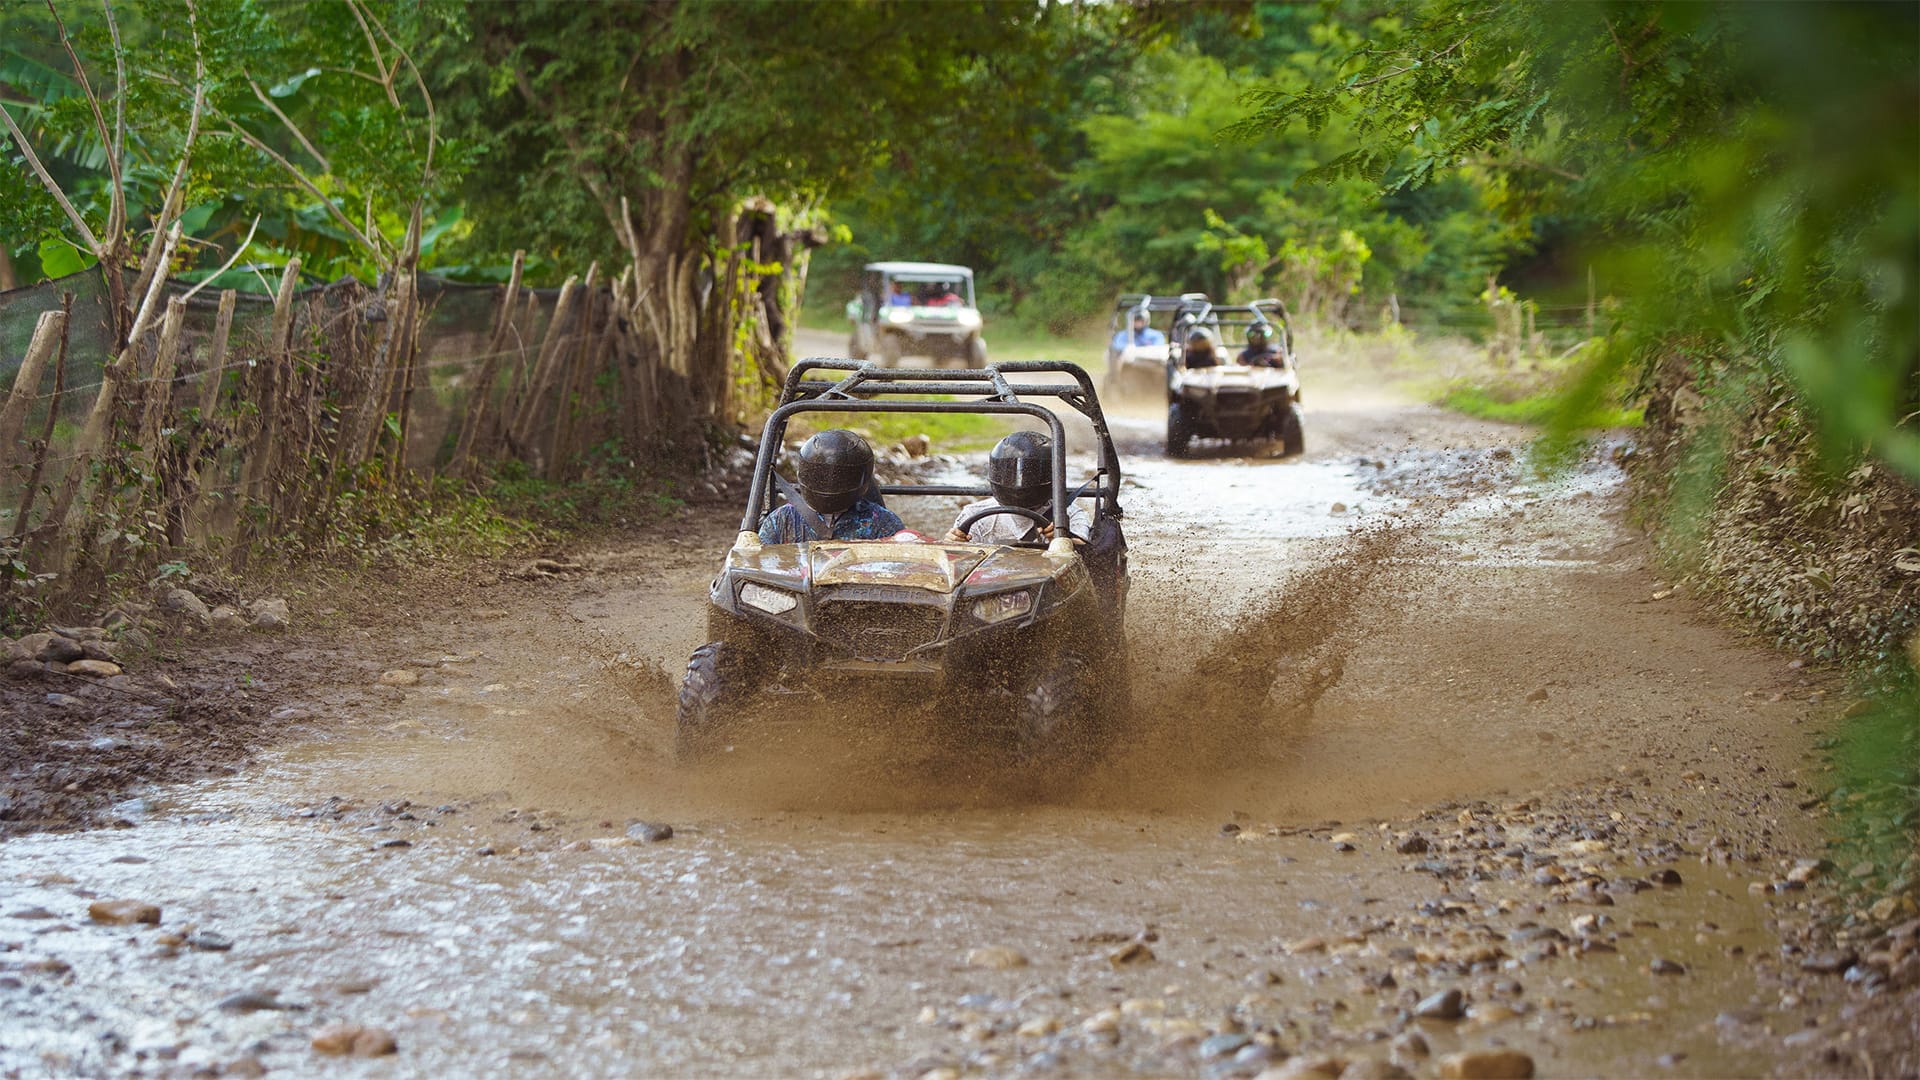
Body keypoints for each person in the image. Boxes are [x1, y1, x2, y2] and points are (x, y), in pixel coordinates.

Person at [944, 431, 1091, 545]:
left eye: (1029, 474)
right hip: (989, 581)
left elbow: (1085, 551)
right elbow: (954, 556)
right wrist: (953, 542)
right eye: (1010, 473)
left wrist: (1064, 540)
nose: (1019, 483)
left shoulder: (1067, 514)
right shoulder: (973, 514)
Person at [758, 429, 905, 544]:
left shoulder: (884, 523)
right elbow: (758, 565)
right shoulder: (781, 521)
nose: (829, 485)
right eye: (821, 477)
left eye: (837, 479)